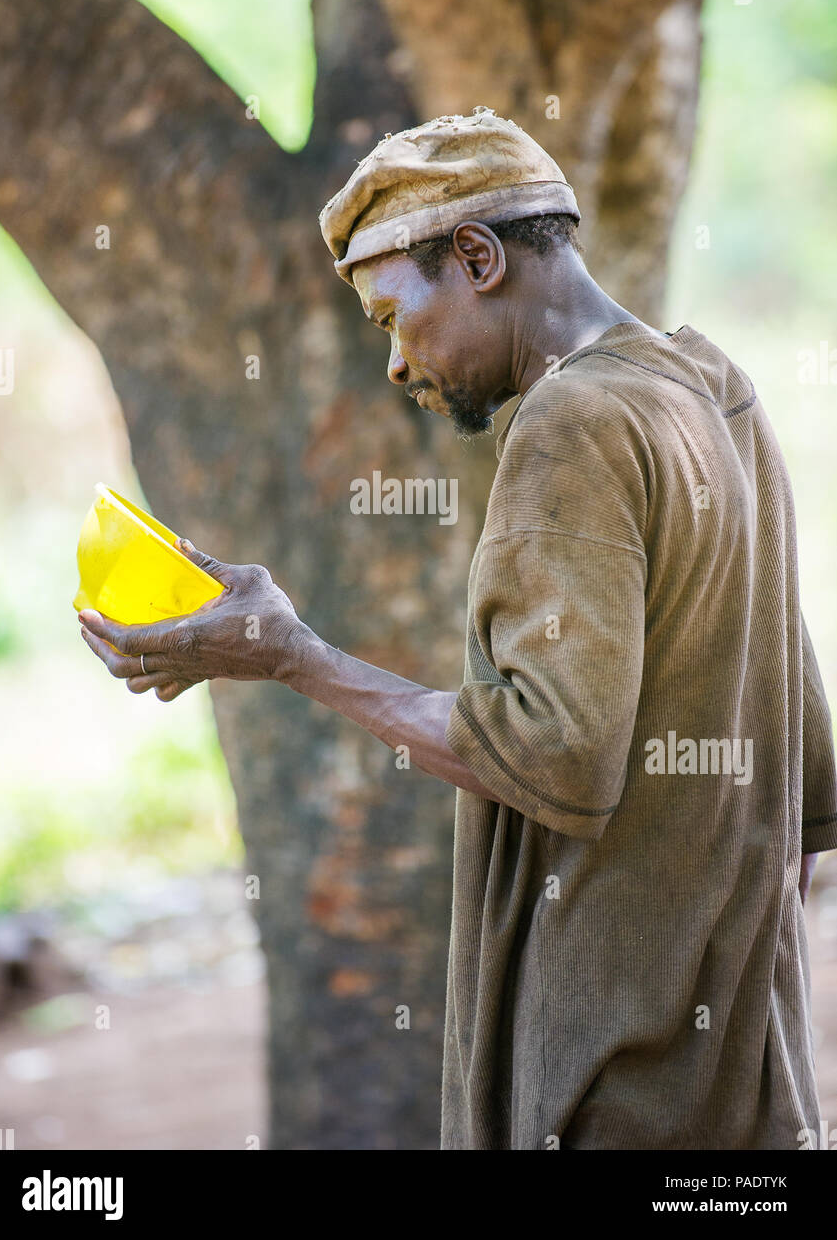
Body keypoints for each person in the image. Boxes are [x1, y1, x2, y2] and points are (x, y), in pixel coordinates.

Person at [79, 106, 837, 1149]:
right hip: (748, 1088)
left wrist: (291, 656)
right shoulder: (715, 396)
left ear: (475, 256)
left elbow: (551, 754)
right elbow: (804, 786)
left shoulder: (571, 424)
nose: (394, 364)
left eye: (392, 317)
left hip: (614, 1089)